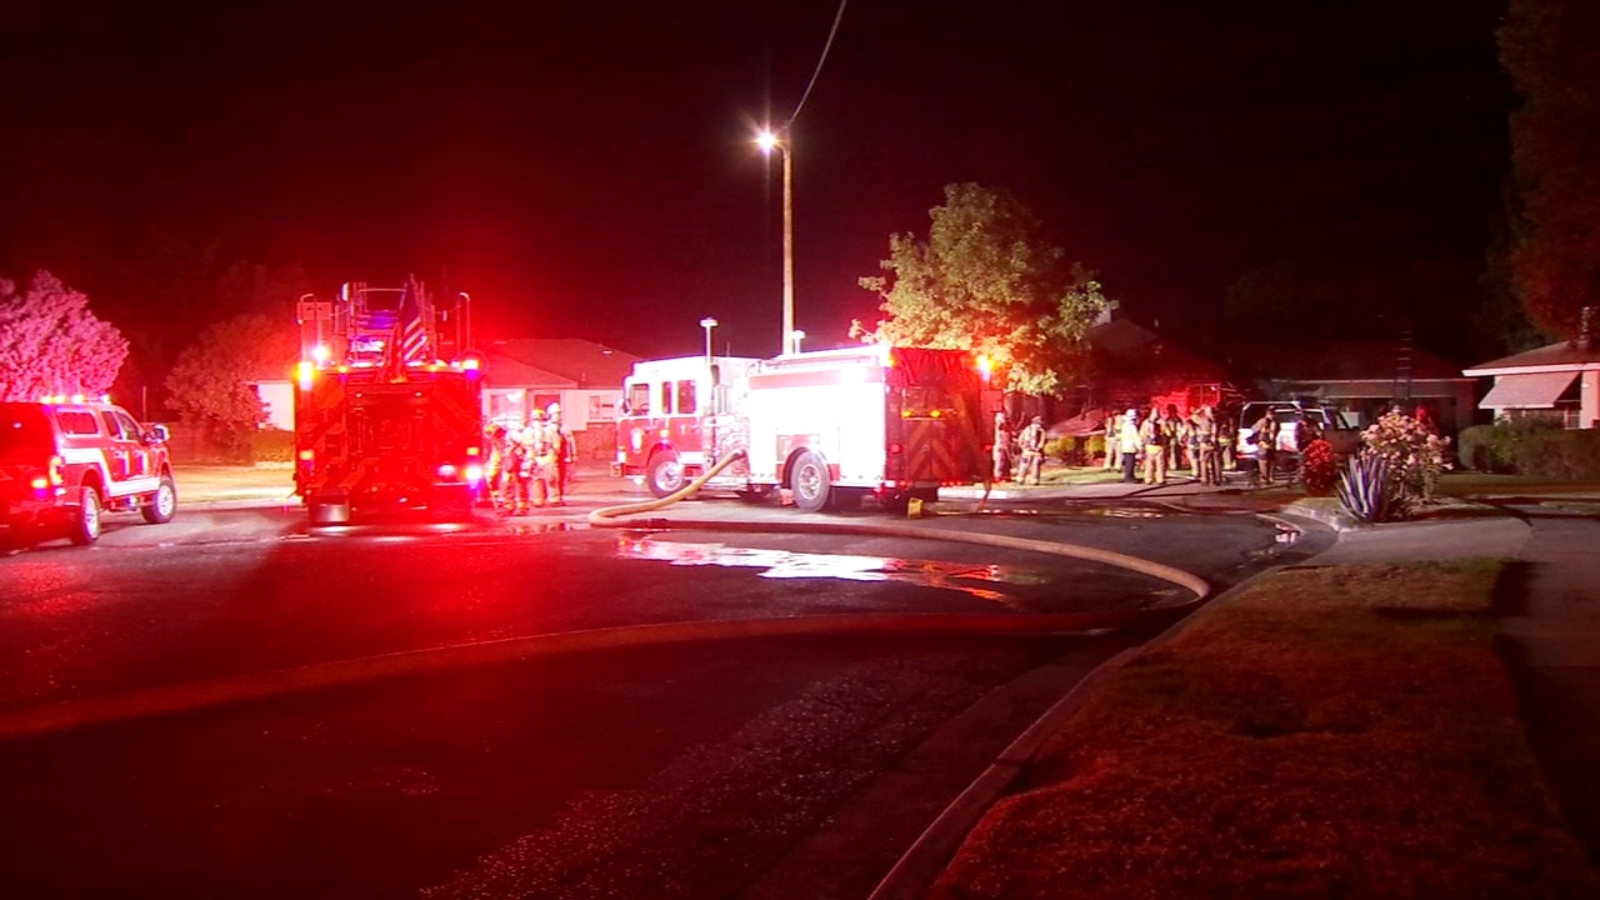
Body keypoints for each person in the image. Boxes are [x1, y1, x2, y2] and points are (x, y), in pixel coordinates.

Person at [545, 402, 576, 505]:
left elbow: (570, 442)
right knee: (552, 477)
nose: (558, 416)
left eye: (559, 414)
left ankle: (560, 497)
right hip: (551, 456)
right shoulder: (546, 428)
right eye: (555, 414)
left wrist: (573, 455)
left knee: (562, 477)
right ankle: (551, 497)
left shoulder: (564, 428)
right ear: (550, 415)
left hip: (563, 455)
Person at [1140, 404, 1169, 485]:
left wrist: (1143, 444)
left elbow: (1142, 434)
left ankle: (1148, 479)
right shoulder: (1162, 422)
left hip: (1149, 446)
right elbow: (1168, 433)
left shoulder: (1146, 422)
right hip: (1160, 446)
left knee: (1149, 463)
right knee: (1160, 463)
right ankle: (1160, 479)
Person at [1017, 415, 1046, 485]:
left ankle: (1034, 480)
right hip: (1027, 451)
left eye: (1040, 424)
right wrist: (1023, 447)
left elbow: (1042, 440)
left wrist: (1039, 447)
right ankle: (1020, 479)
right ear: (1034, 423)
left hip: (1036, 452)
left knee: (1035, 465)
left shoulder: (1041, 431)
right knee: (1024, 465)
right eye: (1038, 424)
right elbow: (1021, 439)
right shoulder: (1027, 430)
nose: (1039, 426)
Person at [1118, 408, 1142, 483]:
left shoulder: (1125, 425)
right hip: (1131, 446)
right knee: (1130, 462)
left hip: (1124, 445)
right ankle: (1129, 477)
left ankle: (1130, 476)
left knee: (1128, 461)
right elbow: (1136, 438)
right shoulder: (1132, 427)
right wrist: (1140, 446)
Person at [992, 411, 1014, 483]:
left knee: (1007, 462)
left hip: (1006, 446)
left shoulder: (1006, 428)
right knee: (1000, 462)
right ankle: (998, 476)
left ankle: (1006, 476)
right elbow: (999, 430)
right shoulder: (999, 426)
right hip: (1000, 446)